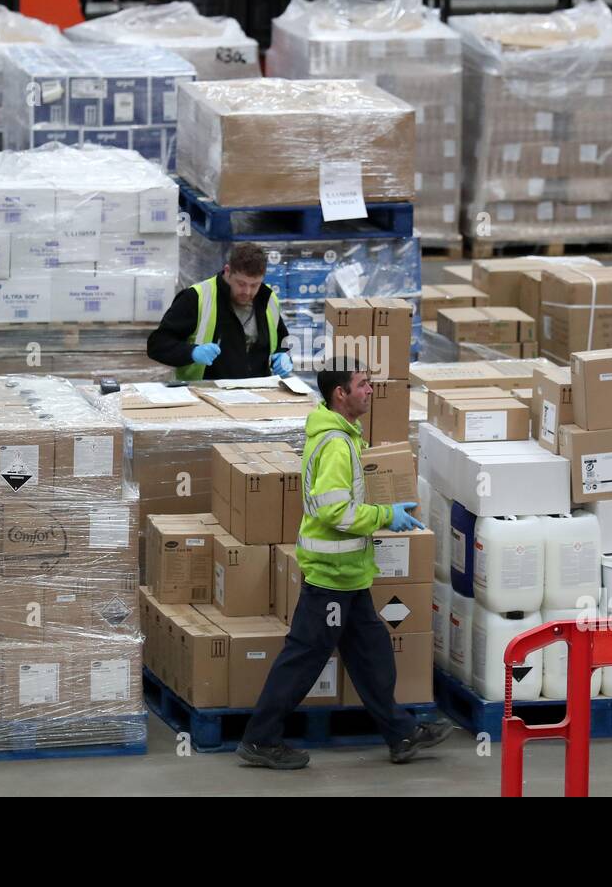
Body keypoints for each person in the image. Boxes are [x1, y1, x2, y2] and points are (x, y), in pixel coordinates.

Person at [236, 366, 452, 769]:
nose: (370, 391)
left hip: (349, 575)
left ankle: (400, 733)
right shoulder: (336, 444)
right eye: (362, 385)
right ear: (340, 394)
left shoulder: (343, 436)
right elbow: (335, 510)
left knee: (373, 655)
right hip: (331, 578)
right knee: (304, 658)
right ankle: (260, 739)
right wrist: (384, 515)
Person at [147, 241, 292, 381]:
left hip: (259, 394)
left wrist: (283, 357)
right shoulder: (197, 298)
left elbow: (281, 343)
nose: (247, 291)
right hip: (205, 394)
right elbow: (157, 345)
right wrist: (192, 352)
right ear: (228, 271)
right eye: (241, 283)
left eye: (254, 285)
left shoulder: (268, 300)